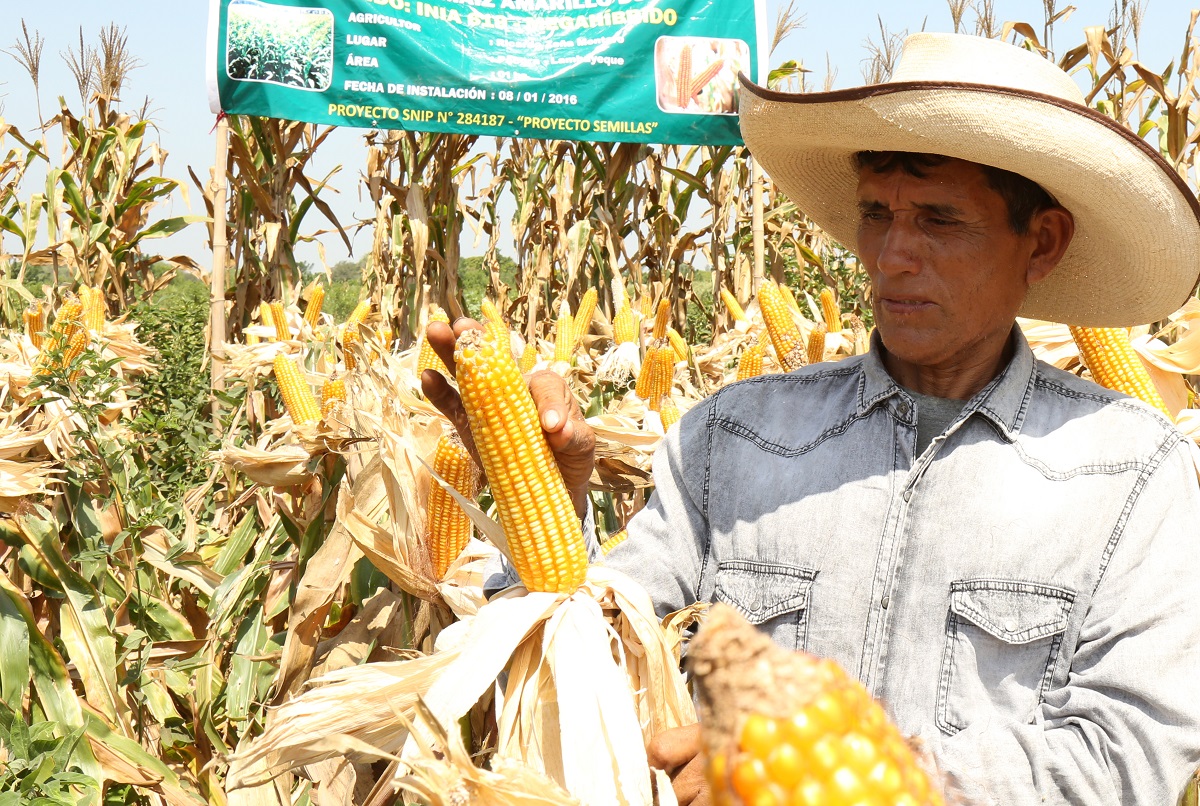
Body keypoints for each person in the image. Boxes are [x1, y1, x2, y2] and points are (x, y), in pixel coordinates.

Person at [423, 33, 1200, 805]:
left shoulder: (1132, 473)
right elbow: (592, 672)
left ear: (1043, 242)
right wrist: (551, 520)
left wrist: (849, 775)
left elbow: (1129, 753)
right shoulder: (731, 439)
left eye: (938, 220)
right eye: (875, 213)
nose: (892, 254)